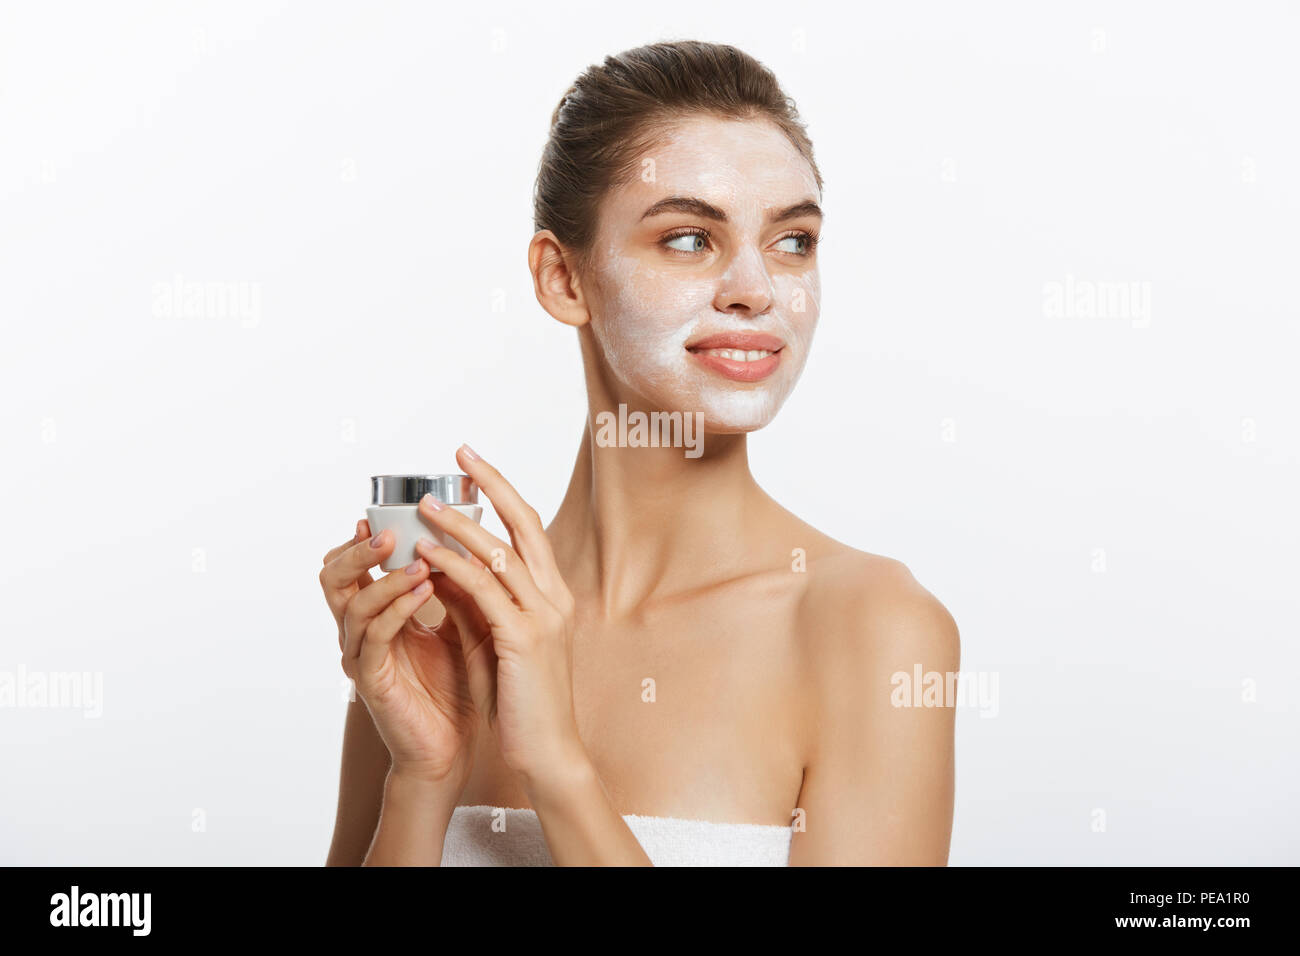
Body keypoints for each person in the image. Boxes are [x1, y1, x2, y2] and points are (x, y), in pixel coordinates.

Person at [321, 39, 959, 866]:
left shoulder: (870, 628)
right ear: (563, 279)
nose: (755, 289)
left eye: (792, 241)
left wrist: (559, 769)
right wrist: (423, 776)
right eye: (690, 239)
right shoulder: (449, 628)